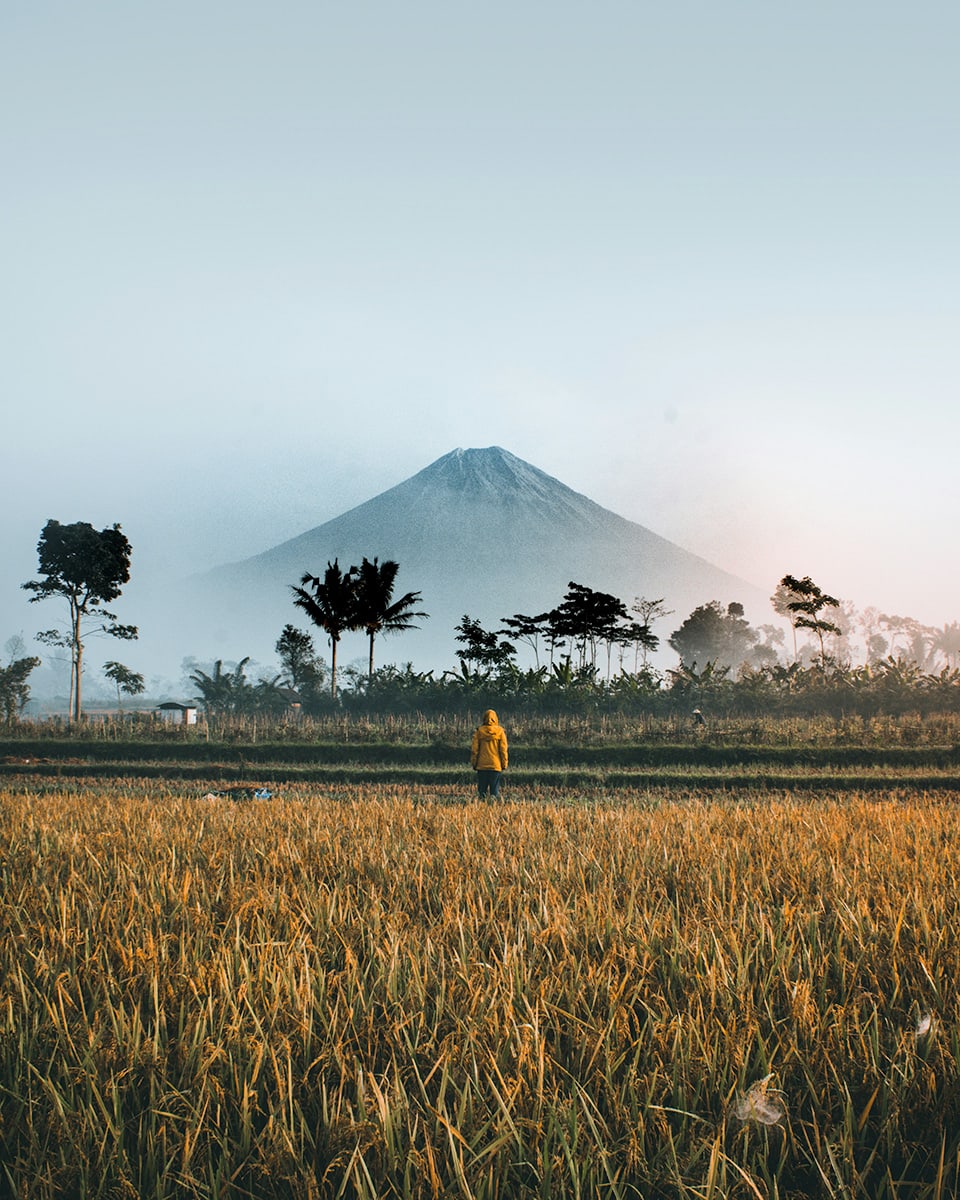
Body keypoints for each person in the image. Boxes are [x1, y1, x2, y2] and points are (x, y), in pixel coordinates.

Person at [470, 708, 509, 798]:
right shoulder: (500, 732)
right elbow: (503, 750)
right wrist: (504, 764)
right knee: (494, 792)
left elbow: (474, 750)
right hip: (495, 765)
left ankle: (480, 809)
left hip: (482, 765)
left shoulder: (479, 732)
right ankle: (493, 808)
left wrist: (474, 763)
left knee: (482, 792)